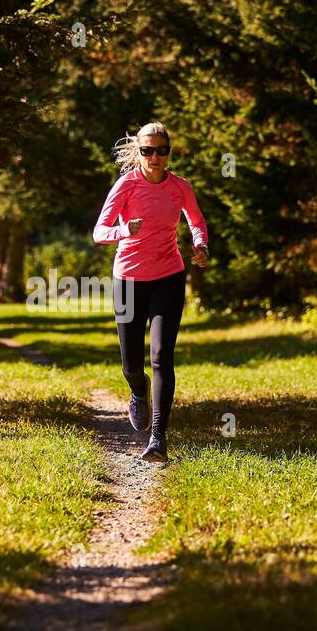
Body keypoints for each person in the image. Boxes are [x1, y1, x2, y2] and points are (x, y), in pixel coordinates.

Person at [92, 122, 209, 463]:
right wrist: (123, 230)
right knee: (131, 364)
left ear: (168, 152)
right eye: (147, 150)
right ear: (138, 152)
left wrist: (200, 245)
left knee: (161, 356)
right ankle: (135, 389)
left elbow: (196, 221)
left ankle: (158, 437)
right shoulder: (126, 185)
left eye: (161, 150)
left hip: (168, 276)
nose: (154, 157)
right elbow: (100, 231)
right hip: (128, 279)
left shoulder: (179, 187)